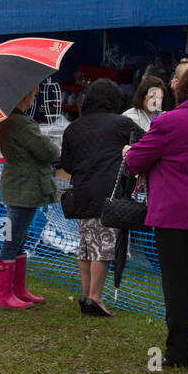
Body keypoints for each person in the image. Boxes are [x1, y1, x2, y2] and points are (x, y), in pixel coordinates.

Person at [123, 63, 188, 366]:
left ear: (183, 89)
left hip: (177, 219)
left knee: (178, 288)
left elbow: (135, 162)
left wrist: (129, 153)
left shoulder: (169, 122)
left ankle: (178, 352)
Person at [58, 79, 142, 318]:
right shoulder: (123, 124)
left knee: (86, 247)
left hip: (82, 192)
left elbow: (67, 164)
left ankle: (86, 295)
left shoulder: (73, 128)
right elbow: (146, 145)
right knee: (103, 248)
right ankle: (95, 298)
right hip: (110, 194)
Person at [0, 85, 58, 309]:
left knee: (18, 237)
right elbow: (48, 151)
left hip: (15, 184)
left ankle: (17, 290)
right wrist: (52, 145)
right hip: (25, 187)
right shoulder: (21, 124)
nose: (35, 98)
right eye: (33, 94)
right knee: (13, 238)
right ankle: (5, 294)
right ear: (24, 96)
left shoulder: (3, 122)